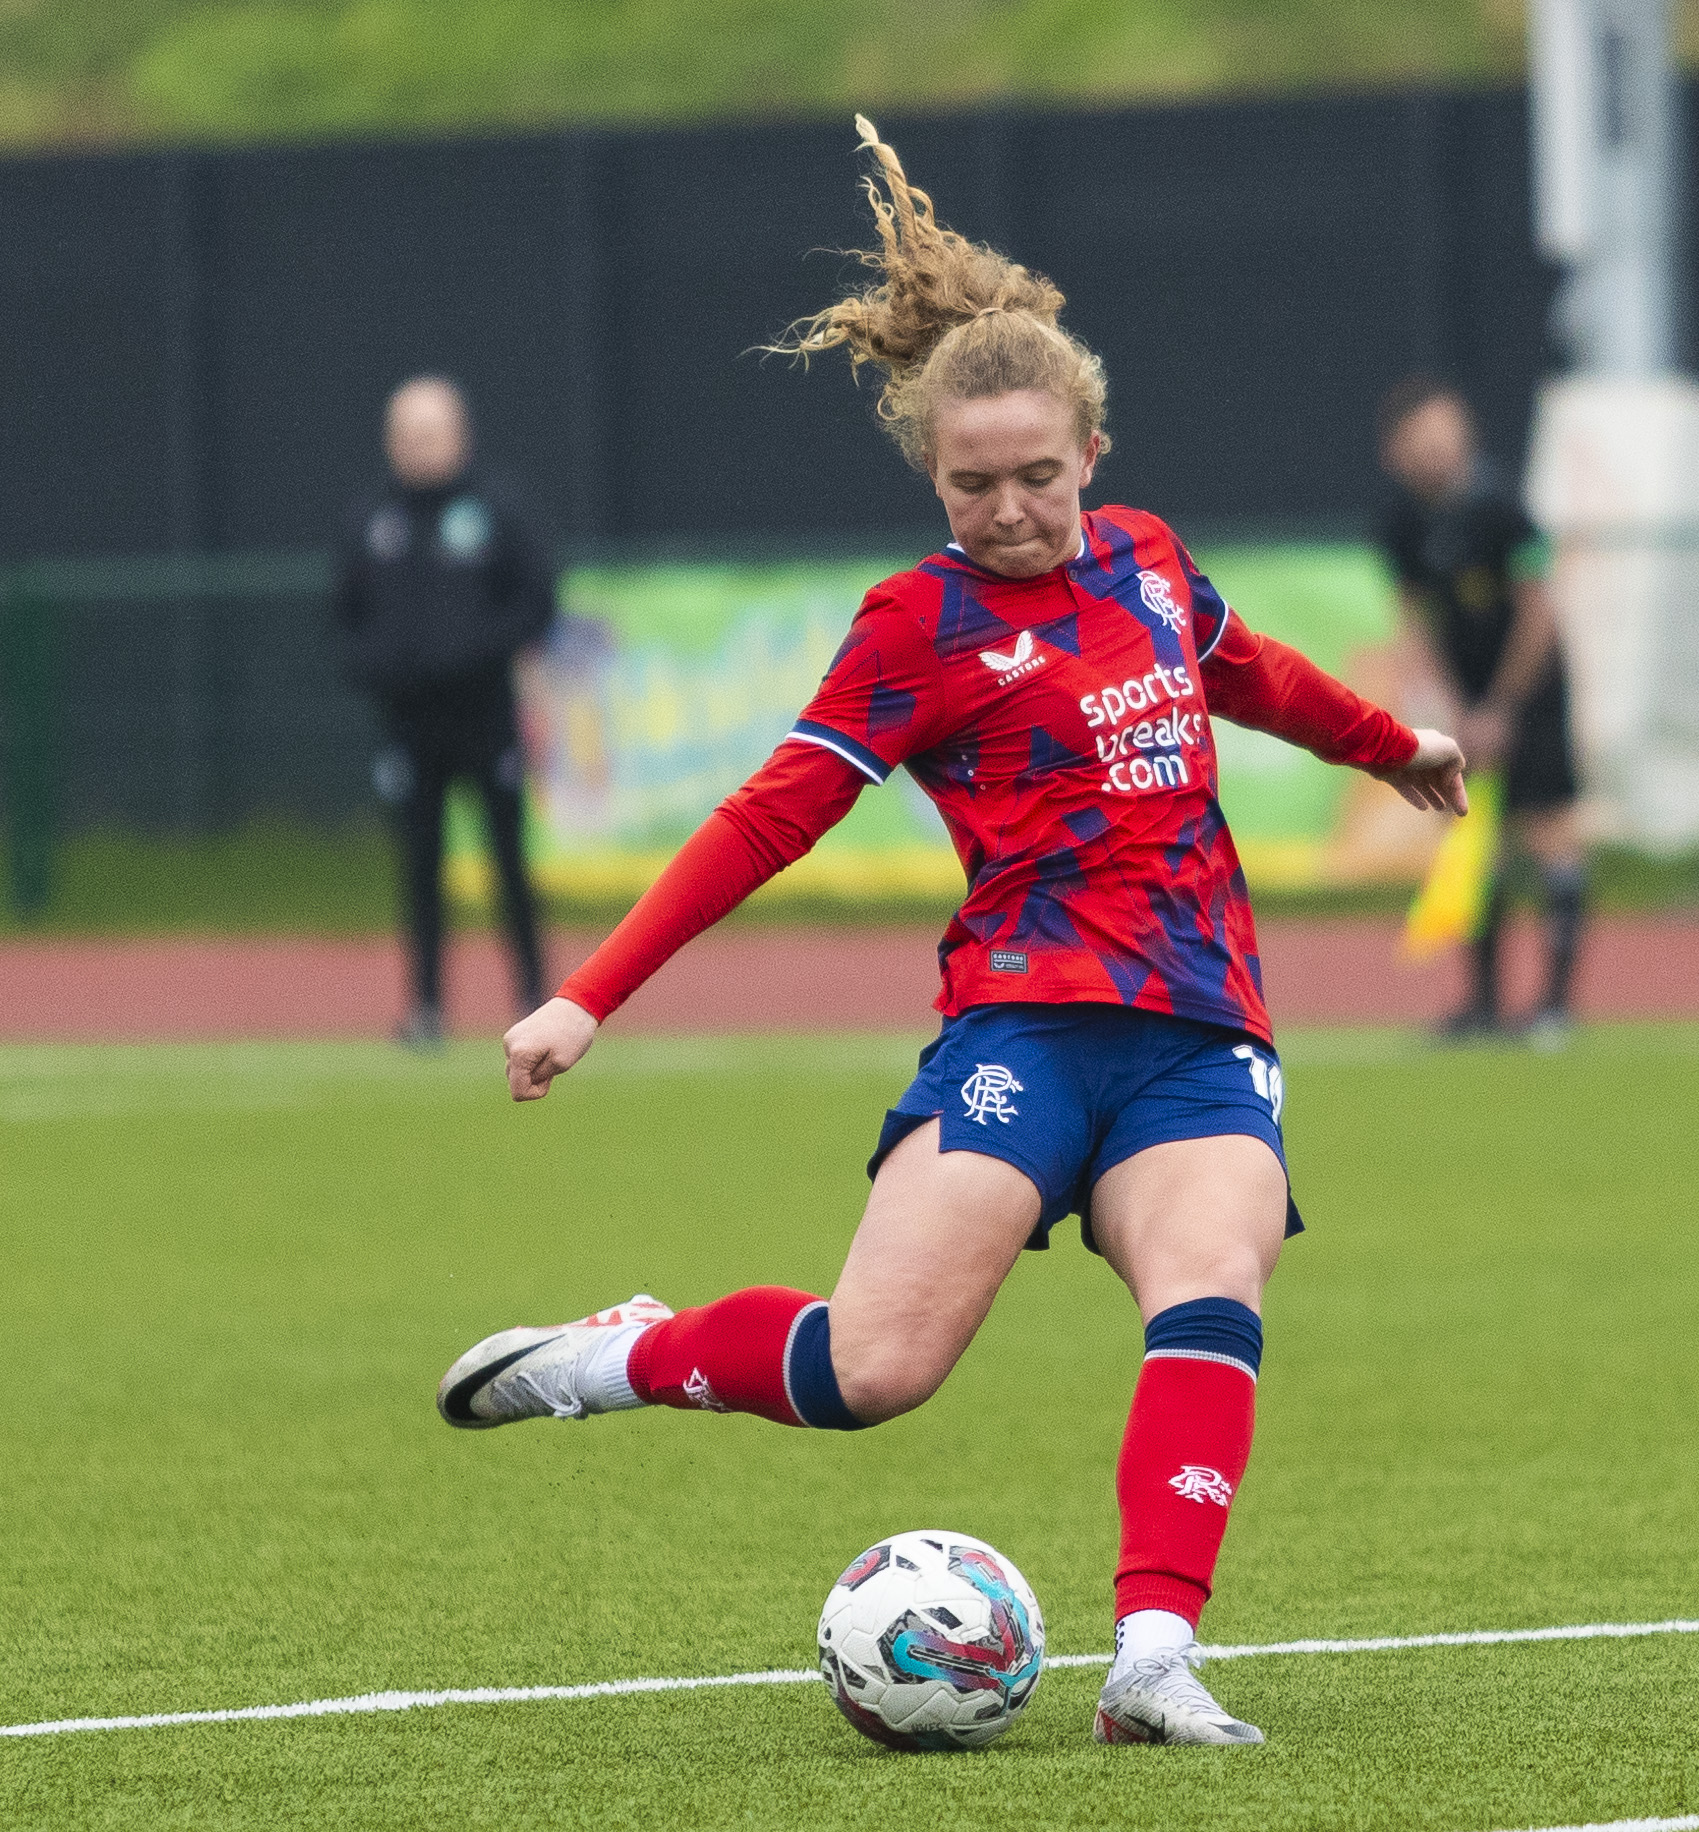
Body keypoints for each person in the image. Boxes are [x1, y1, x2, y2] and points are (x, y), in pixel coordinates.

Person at [436, 120, 1466, 1747]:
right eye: (970, 483)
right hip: (1024, 1029)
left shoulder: (1143, 564)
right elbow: (768, 813)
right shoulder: (914, 626)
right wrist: (586, 997)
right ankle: (623, 1354)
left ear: (1092, 450)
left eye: (1035, 476)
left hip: (1201, 1033)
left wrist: (1383, 744)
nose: (1006, 508)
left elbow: (1249, 667)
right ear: (933, 476)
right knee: (873, 1367)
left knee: (1210, 1273)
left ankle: (1148, 1658)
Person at [333, 376, 555, 1049]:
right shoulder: (374, 519)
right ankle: (427, 1007)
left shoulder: (494, 510)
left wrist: (473, 654)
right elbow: (344, 616)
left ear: (458, 436)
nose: (417, 446)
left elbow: (536, 598)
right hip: (408, 722)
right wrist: (380, 668)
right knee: (419, 866)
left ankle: (533, 996)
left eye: (430, 433)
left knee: (506, 861)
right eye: (405, 434)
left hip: (485, 714)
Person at [1374, 377, 1588, 1045]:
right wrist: (1447, 707)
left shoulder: (1505, 513)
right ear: (1395, 453)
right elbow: (1414, 620)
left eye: (1444, 437)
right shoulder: (1401, 521)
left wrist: (1501, 706)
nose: (1433, 453)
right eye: (1419, 443)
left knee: (1547, 833)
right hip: (1466, 708)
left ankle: (1553, 1007)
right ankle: (1485, 1007)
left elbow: (1537, 613)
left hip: (1528, 698)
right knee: (1470, 839)